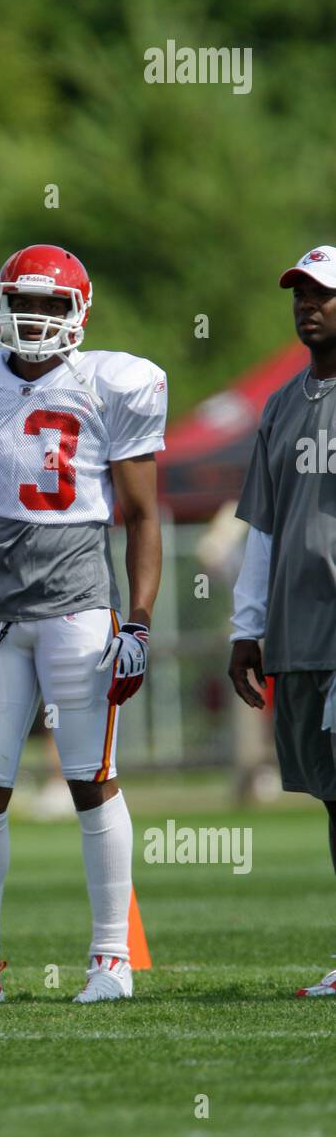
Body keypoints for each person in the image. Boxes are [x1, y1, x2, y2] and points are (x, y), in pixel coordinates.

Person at [0, 243, 166, 1004]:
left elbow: (145, 516)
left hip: (79, 603)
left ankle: (111, 958)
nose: (36, 315)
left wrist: (141, 621)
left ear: (79, 313)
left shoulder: (113, 383)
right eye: (26, 299)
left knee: (90, 779)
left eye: (53, 304)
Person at [229, 245, 336, 998]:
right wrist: (247, 625)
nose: (309, 306)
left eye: (324, 295)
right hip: (301, 635)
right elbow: (262, 527)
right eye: (300, 294)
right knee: (333, 796)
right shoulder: (281, 403)